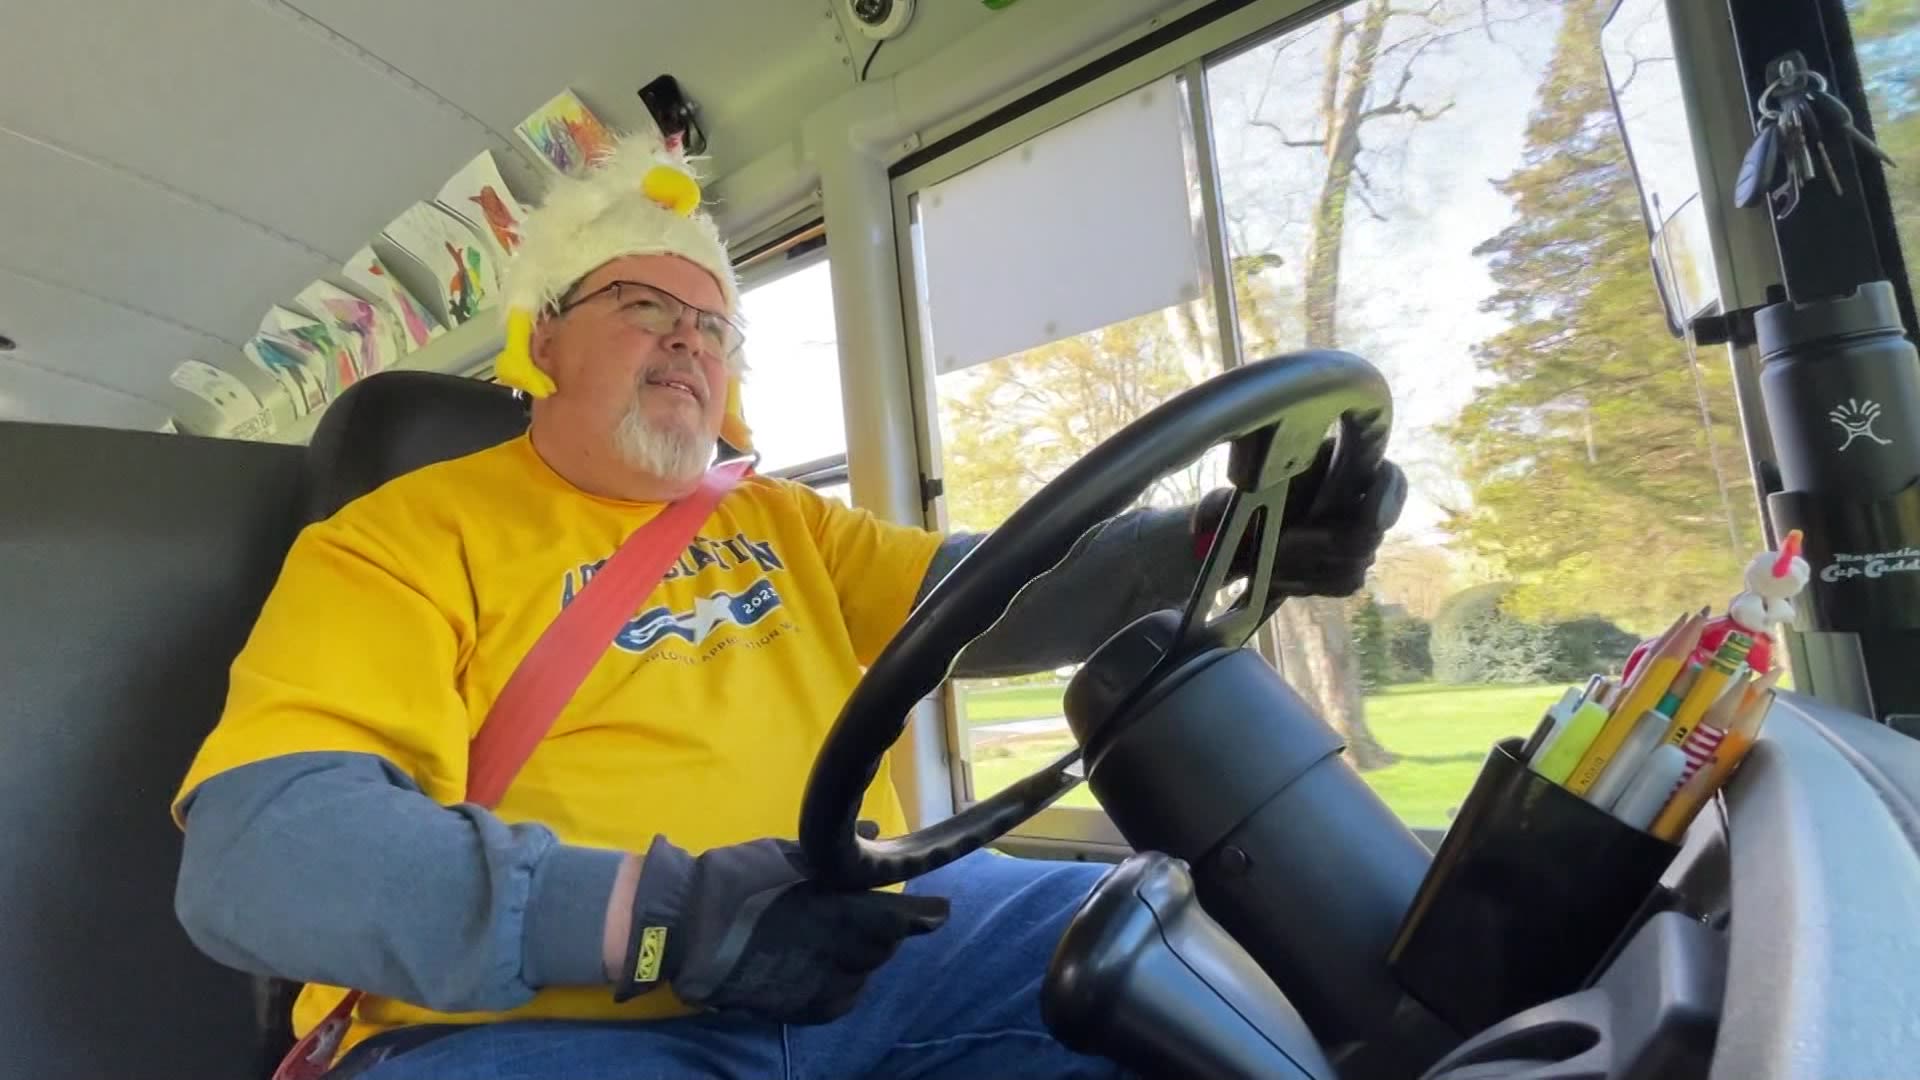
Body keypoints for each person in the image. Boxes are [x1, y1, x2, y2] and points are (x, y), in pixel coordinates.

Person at [171, 135, 1404, 1080]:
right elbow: (263, 850)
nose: (687, 341)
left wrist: (1217, 546)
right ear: (543, 337)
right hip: (547, 1020)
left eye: (712, 324)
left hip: (867, 963)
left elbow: (992, 600)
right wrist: (660, 921)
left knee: (1137, 940)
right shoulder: (401, 535)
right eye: (641, 306)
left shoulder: (781, 524)